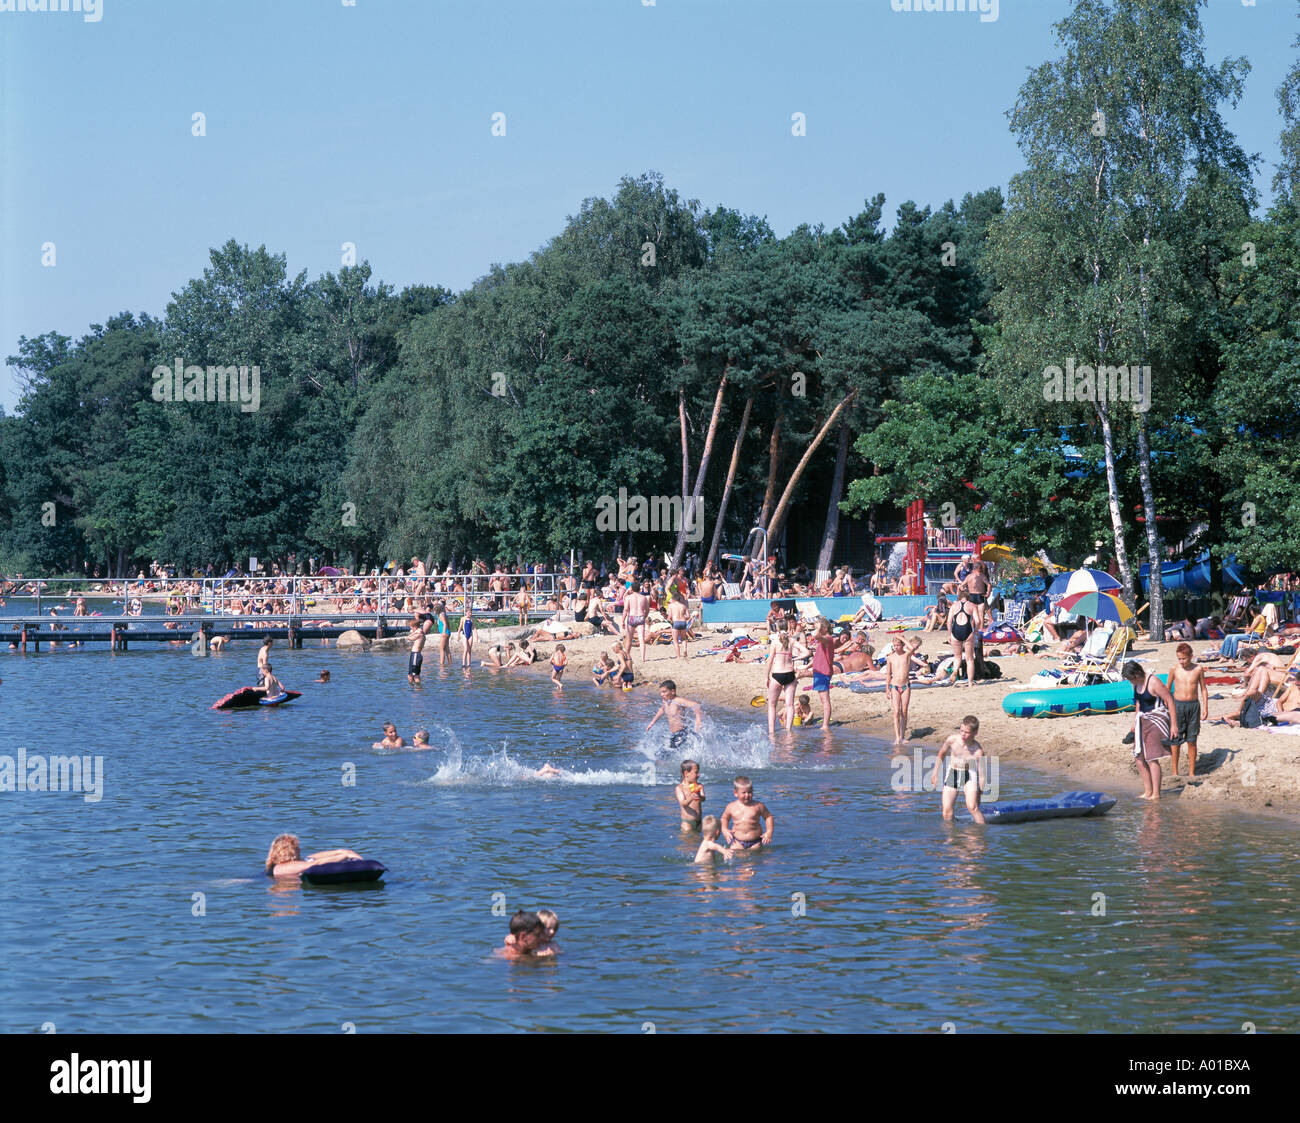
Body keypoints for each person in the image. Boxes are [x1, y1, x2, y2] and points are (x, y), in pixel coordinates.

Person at [1123, 661, 1176, 801]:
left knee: (1152, 758)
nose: (1130, 682)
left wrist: (1174, 725)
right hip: (1142, 721)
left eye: (1131, 678)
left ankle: (1156, 794)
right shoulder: (1135, 683)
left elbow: (1169, 700)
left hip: (1156, 720)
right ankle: (1148, 791)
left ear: (1137, 673)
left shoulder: (1153, 681)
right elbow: (1139, 703)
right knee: (1139, 758)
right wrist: (1134, 722)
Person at [930, 716, 986, 824]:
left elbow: (982, 775)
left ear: (975, 733)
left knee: (972, 807)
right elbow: (942, 753)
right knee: (946, 812)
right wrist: (935, 773)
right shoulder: (952, 740)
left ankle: (981, 835)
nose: (963, 735)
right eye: (961, 731)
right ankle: (951, 837)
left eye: (967, 732)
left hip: (969, 774)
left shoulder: (978, 751)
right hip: (953, 772)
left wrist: (980, 792)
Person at [1167, 643, 1208, 778]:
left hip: (1193, 706)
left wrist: (1206, 708)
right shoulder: (1174, 669)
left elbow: (1203, 689)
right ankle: (1174, 771)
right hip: (1178, 706)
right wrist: (1165, 706)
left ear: (1191, 656)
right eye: (1179, 659)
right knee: (1175, 740)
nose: (1182, 662)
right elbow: (1167, 689)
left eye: (1184, 659)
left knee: (1192, 740)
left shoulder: (1198, 669)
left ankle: (1191, 772)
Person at [764, 631, 807, 734]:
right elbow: (807, 652)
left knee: (772, 704)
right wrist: (795, 658)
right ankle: (788, 730)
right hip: (789, 674)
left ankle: (771, 732)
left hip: (777, 674)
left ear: (778, 631)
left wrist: (766, 677)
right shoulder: (792, 641)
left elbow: (770, 661)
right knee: (790, 705)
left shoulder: (775, 642)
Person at [265, 834, 363, 877]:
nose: (299, 849)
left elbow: (312, 858)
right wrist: (344, 856)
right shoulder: (282, 867)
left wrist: (341, 851)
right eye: (296, 848)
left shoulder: (291, 863)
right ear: (287, 851)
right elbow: (316, 863)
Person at [647, 679, 703, 751]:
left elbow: (696, 705)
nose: (661, 694)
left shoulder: (678, 701)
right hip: (674, 734)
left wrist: (698, 721)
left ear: (672, 691)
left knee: (669, 752)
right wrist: (652, 722)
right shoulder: (666, 701)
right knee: (667, 752)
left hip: (682, 733)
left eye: (664, 692)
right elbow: (662, 709)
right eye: (661, 692)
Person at [720, 776, 774, 851]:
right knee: (735, 858)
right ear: (735, 793)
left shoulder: (758, 806)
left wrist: (769, 832)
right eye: (744, 792)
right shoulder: (731, 807)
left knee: (754, 861)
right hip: (737, 841)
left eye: (750, 792)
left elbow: (768, 817)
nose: (747, 795)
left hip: (755, 841)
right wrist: (724, 829)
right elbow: (724, 818)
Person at [884, 635, 914, 745]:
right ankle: (897, 737)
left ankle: (903, 736)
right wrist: (887, 689)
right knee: (896, 712)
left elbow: (912, 648)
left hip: (906, 686)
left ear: (902, 645)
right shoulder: (890, 658)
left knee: (904, 712)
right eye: (894, 645)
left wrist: (902, 638)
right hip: (894, 686)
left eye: (898, 645)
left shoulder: (907, 655)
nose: (896, 647)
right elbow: (888, 674)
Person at [809, 619, 837, 727]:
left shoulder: (828, 639)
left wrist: (818, 628)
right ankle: (825, 724)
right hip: (820, 671)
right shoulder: (826, 640)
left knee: (825, 699)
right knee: (823, 698)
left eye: (821, 628)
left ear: (824, 629)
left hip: (823, 671)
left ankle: (825, 725)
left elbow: (816, 636)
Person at [946, 594, 978, 687]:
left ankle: (955, 670)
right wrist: (975, 630)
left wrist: (949, 634)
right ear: (968, 597)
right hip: (967, 630)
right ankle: (970, 682)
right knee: (970, 659)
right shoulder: (972, 605)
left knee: (957, 656)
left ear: (959, 597)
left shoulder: (954, 606)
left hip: (956, 630)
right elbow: (978, 620)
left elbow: (949, 621)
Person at [623, 583, 650, 665]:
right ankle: (643, 658)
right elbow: (647, 610)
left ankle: (627, 656)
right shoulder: (644, 598)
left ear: (632, 589)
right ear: (639, 589)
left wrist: (622, 620)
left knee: (629, 639)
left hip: (632, 617)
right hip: (640, 617)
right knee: (641, 639)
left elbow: (626, 609)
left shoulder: (628, 597)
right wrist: (644, 617)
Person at [675, 759, 705, 831]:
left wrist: (700, 797)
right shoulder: (680, 788)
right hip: (687, 823)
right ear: (686, 773)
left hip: (699, 822)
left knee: (698, 840)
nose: (698, 775)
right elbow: (683, 803)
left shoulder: (699, 785)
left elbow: (703, 799)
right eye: (696, 772)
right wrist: (691, 798)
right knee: (689, 840)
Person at [666, 593, 692, 659]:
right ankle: (685, 650)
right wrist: (683, 617)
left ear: (673, 599)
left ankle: (678, 656)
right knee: (683, 638)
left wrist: (670, 620)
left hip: (676, 622)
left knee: (675, 640)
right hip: (683, 622)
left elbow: (670, 616)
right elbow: (688, 616)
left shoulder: (671, 606)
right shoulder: (683, 605)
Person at [459, 601, 475, 668]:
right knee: (465, 649)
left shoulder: (472, 619)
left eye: (470, 612)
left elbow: (474, 627)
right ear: (466, 612)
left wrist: (476, 636)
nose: (470, 614)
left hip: (470, 634)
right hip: (464, 635)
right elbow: (460, 627)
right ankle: (463, 663)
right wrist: (458, 636)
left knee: (469, 650)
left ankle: (468, 663)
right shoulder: (463, 618)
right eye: (468, 612)